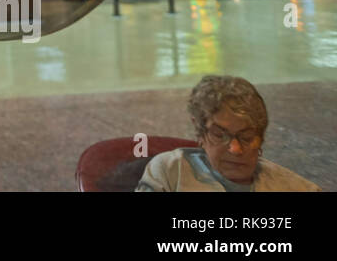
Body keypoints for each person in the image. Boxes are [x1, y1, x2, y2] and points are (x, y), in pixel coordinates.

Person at [136, 75, 321, 192]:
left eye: (247, 137)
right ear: (200, 133)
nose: (235, 149)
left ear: (261, 139)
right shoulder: (170, 171)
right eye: (219, 135)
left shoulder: (297, 188)